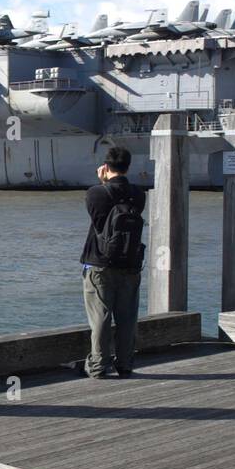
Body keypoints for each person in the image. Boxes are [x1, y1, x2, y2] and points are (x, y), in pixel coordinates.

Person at [79, 145, 146, 379]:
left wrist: (102, 183)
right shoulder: (139, 194)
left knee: (100, 316)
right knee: (127, 317)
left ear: (105, 167)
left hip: (99, 263)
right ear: (128, 167)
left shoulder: (95, 193)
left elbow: (98, 222)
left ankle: (98, 365)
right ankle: (125, 364)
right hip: (130, 263)